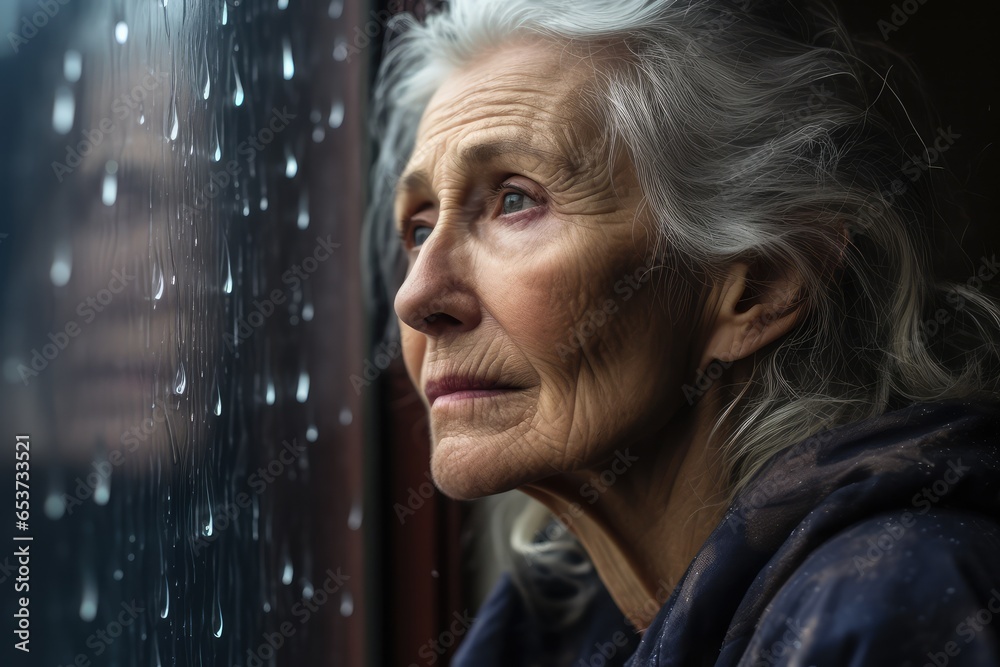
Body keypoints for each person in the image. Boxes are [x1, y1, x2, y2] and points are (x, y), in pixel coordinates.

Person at [364, 0, 1000, 664]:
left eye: (516, 199)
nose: (416, 297)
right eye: (418, 227)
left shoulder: (888, 609)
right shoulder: (552, 631)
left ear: (760, 284)